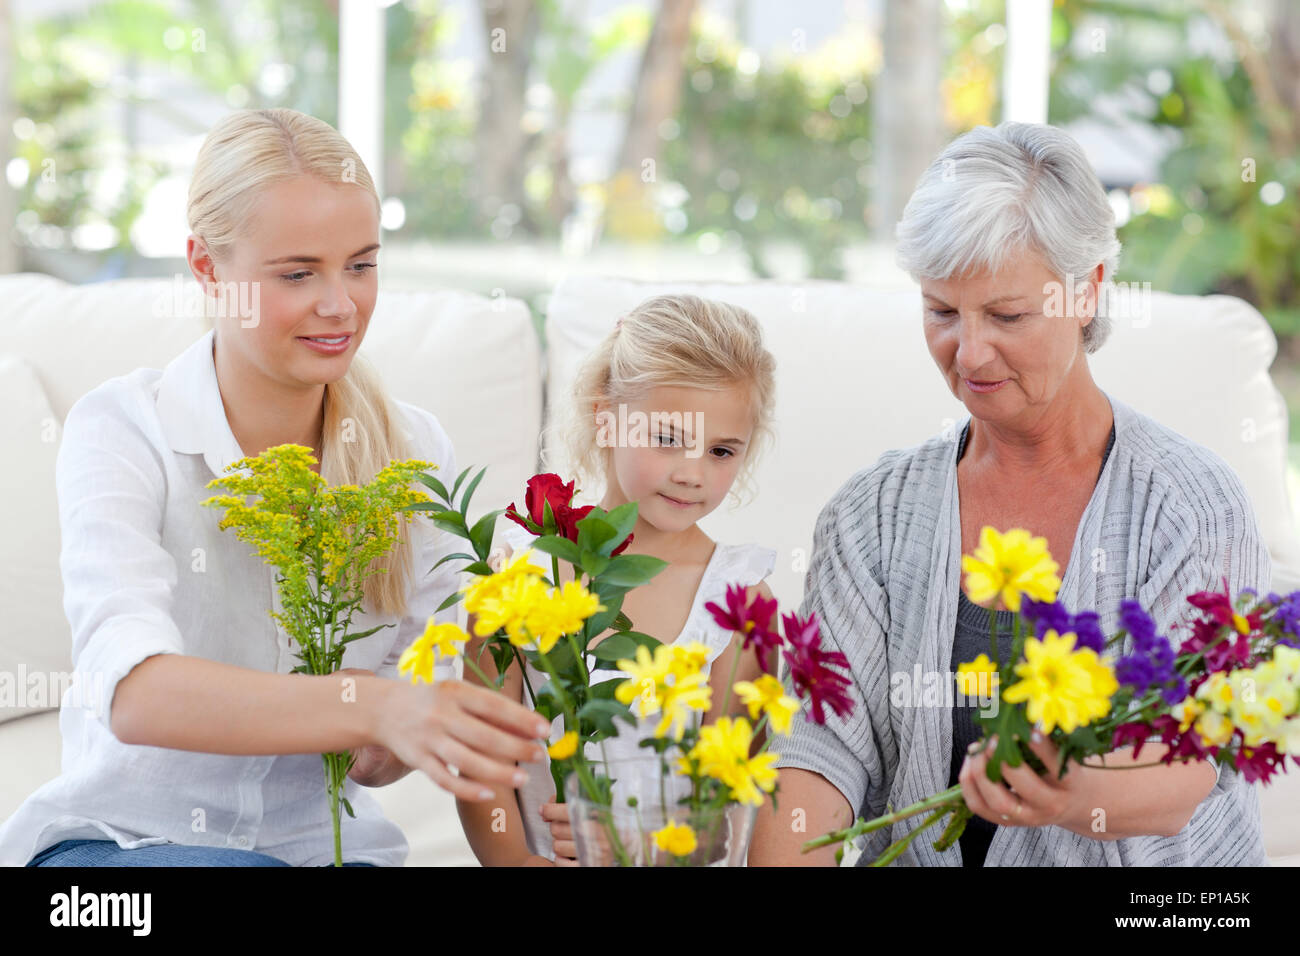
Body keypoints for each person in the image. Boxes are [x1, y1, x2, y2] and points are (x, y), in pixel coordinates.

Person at [0, 108, 550, 868]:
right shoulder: (126, 432)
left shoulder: (411, 452)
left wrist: (457, 690)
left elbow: (377, 758)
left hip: (327, 852)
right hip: (115, 856)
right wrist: (377, 704)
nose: (340, 304)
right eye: (298, 274)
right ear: (206, 268)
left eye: (361, 265)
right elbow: (134, 693)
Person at [750, 121, 1270, 867]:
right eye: (941, 312)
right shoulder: (871, 516)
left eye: (1007, 315)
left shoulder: (1189, 507)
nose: (968, 352)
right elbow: (821, 750)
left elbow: (1189, 763)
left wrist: (1069, 792)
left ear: (1088, 289)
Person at [457, 294, 779, 865]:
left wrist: (637, 844)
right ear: (606, 419)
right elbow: (481, 766)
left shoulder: (740, 601)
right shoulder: (516, 580)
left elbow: (729, 801)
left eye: (721, 451)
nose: (693, 473)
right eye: (667, 438)